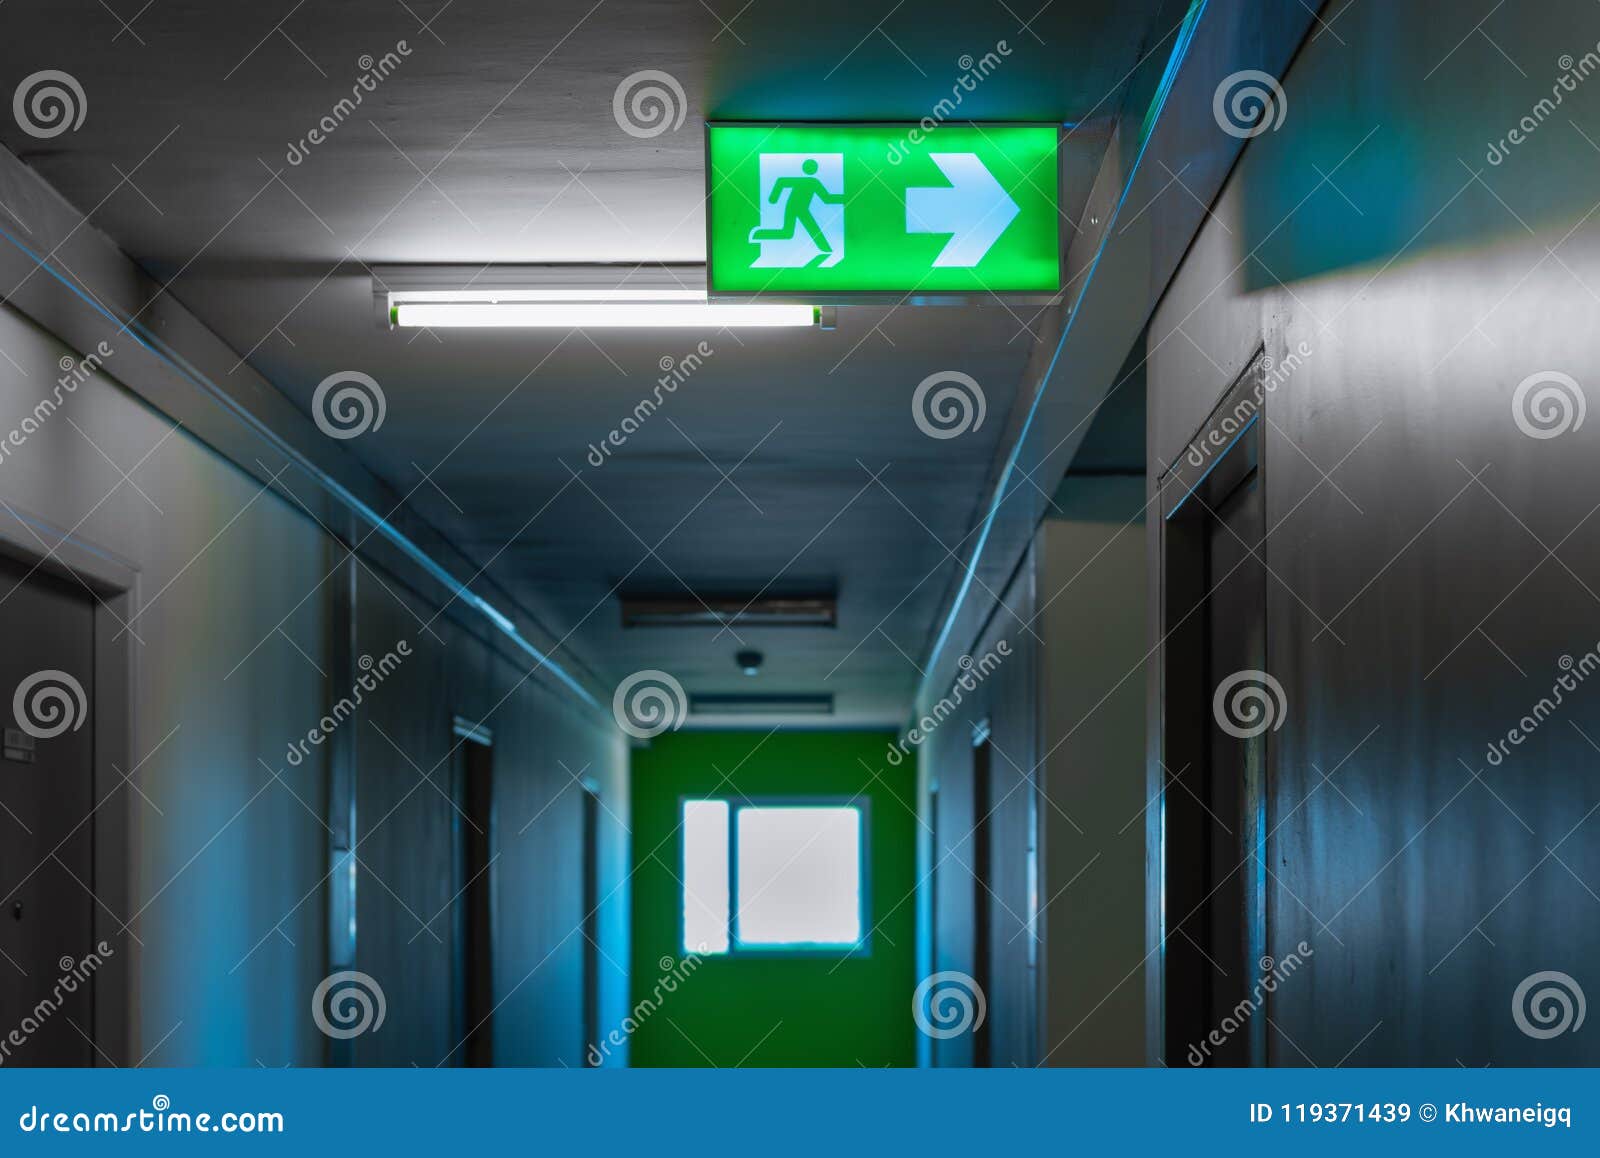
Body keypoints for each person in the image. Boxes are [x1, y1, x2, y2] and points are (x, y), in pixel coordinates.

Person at [749, 159, 842, 265]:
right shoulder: (810, 182)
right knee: (791, 232)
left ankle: (759, 234)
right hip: (794, 208)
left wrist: (844, 198)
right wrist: (773, 198)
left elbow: (826, 198)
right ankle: (826, 249)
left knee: (787, 232)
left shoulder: (813, 182)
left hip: (801, 209)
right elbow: (782, 181)